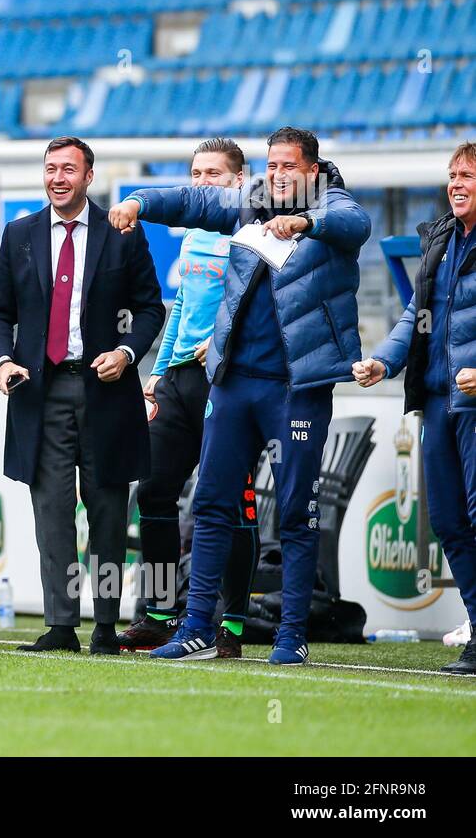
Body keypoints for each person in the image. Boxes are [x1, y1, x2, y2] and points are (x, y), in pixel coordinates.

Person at [108, 126, 370, 664]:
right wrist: (138, 200)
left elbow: (356, 223)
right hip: (233, 384)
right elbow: (193, 198)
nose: (277, 175)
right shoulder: (247, 205)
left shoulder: (334, 206)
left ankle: (291, 635)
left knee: (296, 511)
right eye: (272, 165)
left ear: (312, 172)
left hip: (298, 389)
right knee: (210, 504)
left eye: (289, 166)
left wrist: (305, 220)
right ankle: (198, 627)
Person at [0, 136, 164, 655]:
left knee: (107, 511)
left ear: (88, 176)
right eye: (50, 169)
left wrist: (128, 352)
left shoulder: (122, 233)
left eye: (68, 169)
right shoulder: (19, 233)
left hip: (106, 391)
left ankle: (106, 627)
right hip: (39, 394)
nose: (57, 178)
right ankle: (61, 625)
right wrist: (2, 361)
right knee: (53, 512)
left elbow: (151, 308)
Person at [119, 138, 260, 656]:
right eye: (196, 173)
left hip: (227, 381)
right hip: (179, 379)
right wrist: (157, 371)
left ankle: (235, 623)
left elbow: (261, 312)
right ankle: (159, 613)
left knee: (228, 503)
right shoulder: (195, 236)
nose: (203, 182)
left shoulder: (251, 233)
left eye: (214, 175)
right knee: (153, 493)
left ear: (240, 181)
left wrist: (218, 344)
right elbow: (179, 307)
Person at [353, 141, 476, 675]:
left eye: (468, 175)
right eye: (452, 174)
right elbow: (415, 315)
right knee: (448, 521)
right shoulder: (442, 239)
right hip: (437, 400)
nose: (457, 184)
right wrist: (384, 360)